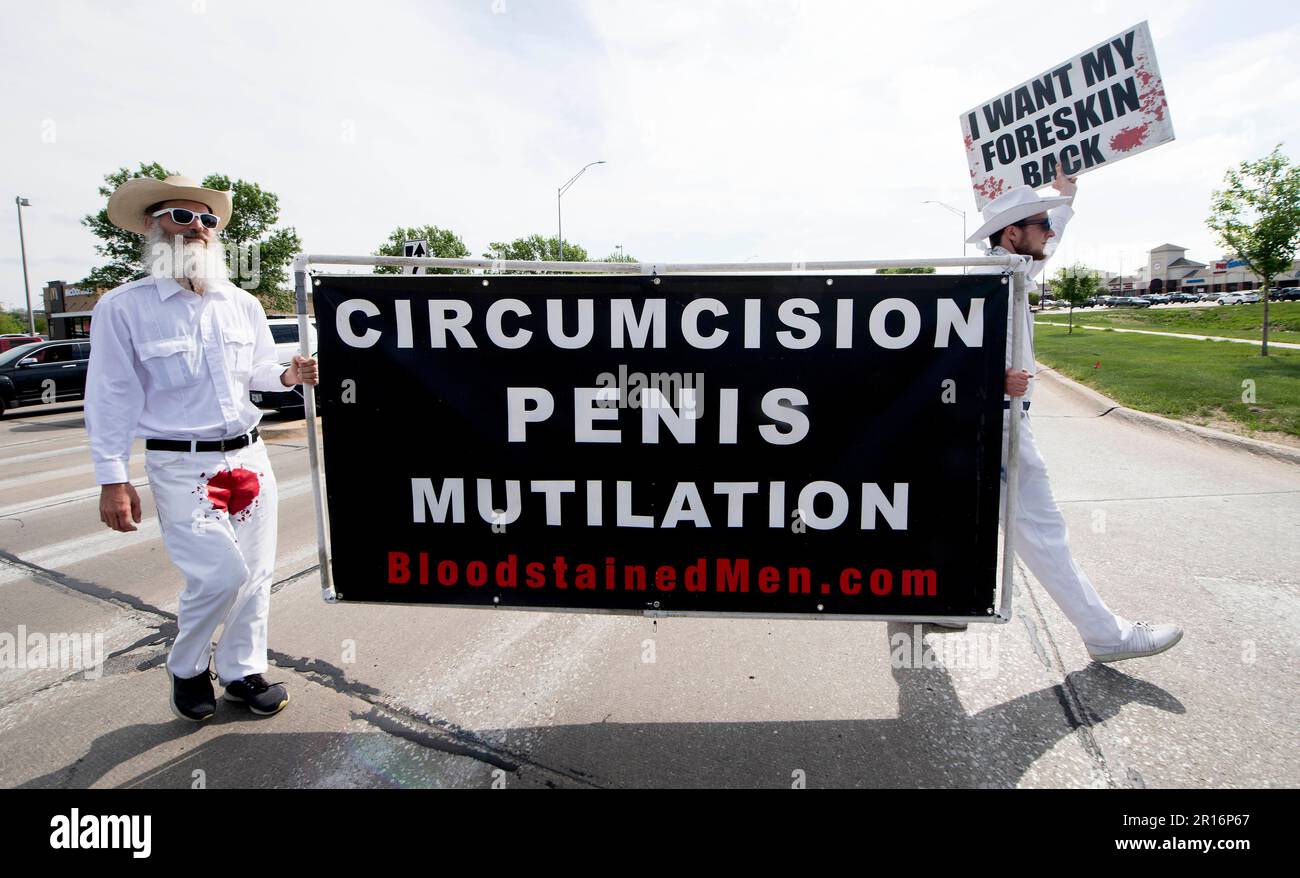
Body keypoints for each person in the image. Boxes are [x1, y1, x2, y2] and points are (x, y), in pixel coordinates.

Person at [86, 174, 319, 720]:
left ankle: (242, 671)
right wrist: (112, 477)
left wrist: (287, 373)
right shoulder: (123, 307)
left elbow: (258, 372)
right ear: (151, 226)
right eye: (182, 216)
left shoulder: (241, 303)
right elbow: (110, 397)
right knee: (219, 574)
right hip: (181, 463)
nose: (198, 229)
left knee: (256, 574)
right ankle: (187, 666)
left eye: (208, 220)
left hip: (249, 455)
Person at [959, 175, 1182, 663]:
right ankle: (1106, 635)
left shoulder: (1012, 269)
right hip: (999, 422)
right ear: (1012, 234)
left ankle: (939, 603)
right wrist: (992, 379)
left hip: (995, 417)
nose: (1049, 234)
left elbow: (1048, 242)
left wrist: (1065, 195)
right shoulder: (990, 279)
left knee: (960, 514)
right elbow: (953, 345)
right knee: (1041, 530)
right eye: (1041, 225)